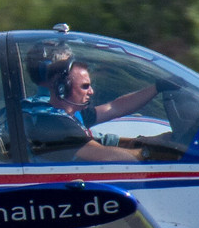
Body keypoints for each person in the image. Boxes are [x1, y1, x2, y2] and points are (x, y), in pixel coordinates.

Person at [25, 58, 174, 162]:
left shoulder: (70, 116)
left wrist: (157, 88)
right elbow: (103, 155)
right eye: (85, 86)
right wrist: (150, 153)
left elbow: (115, 107)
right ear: (62, 89)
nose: (91, 92)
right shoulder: (54, 123)